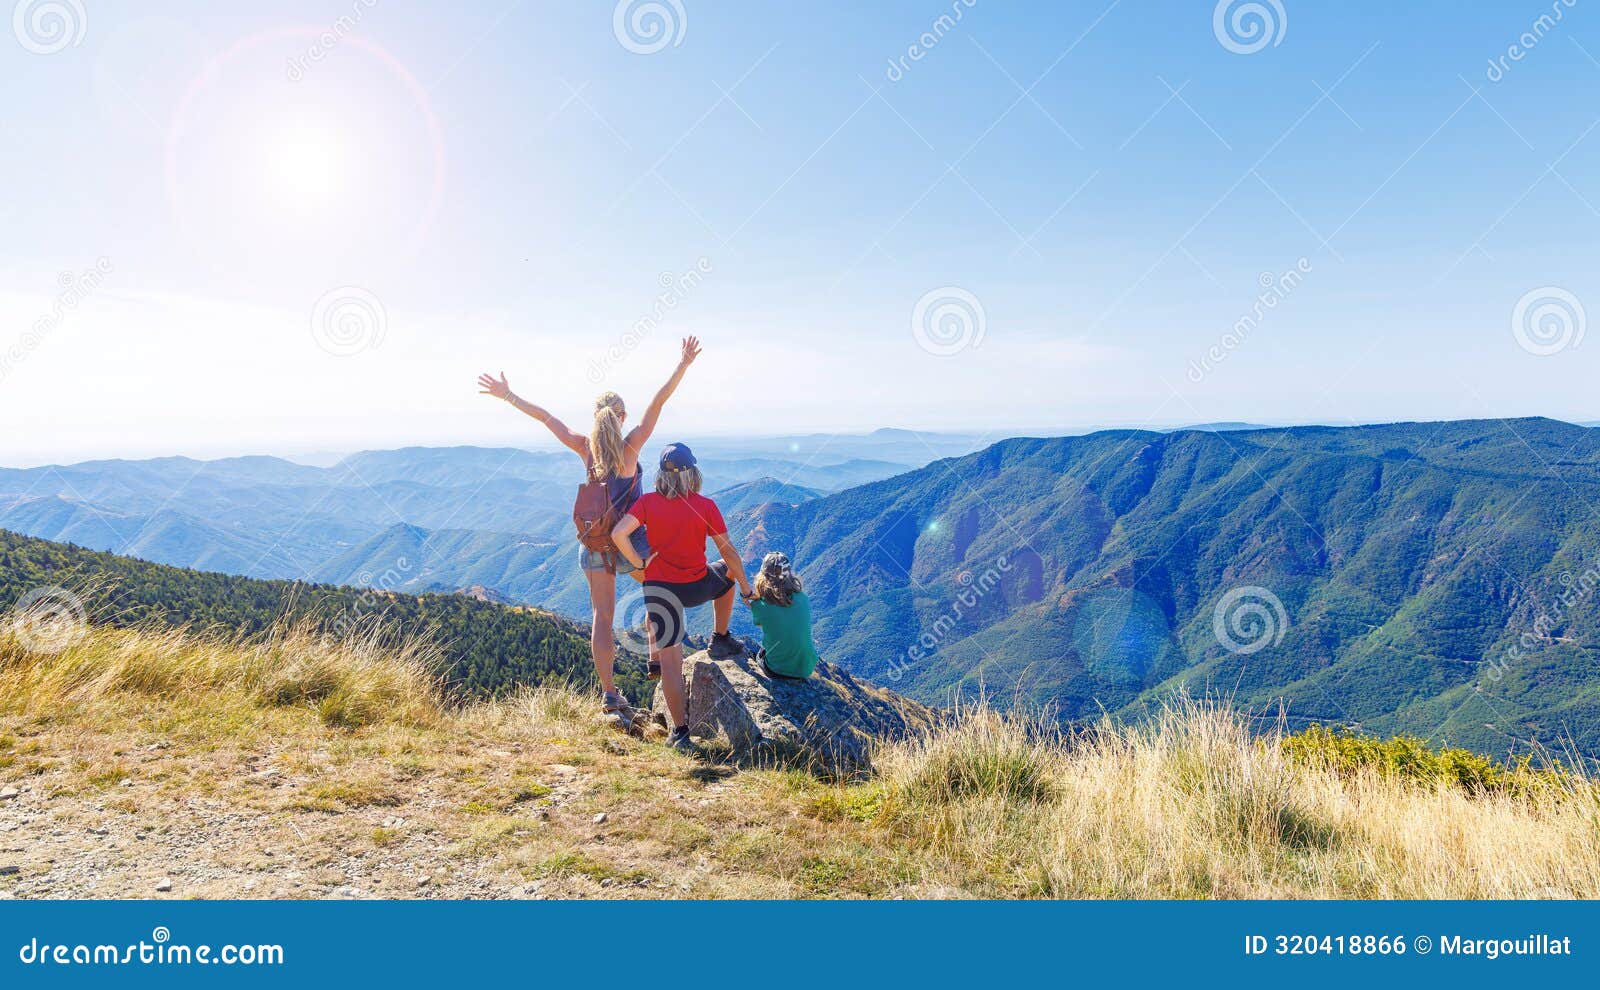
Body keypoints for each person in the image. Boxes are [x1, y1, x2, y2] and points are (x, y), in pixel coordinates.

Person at [476, 337, 701, 717]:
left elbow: (547, 418)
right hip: (631, 544)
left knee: (602, 616)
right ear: (622, 417)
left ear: (596, 417)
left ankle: (610, 695)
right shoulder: (631, 447)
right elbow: (658, 403)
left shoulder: (585, 448)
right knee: (659, 589)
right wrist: (682, 365)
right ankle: (655, 657)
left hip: (593, 545)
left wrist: (509, 396)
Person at [611, 442, 751, 751]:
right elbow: (729, 554)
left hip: (661, 589)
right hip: (697, 585)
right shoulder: (705, 506)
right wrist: (746, 588)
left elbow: (618, 534)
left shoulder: (647, 503)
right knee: (726, 573)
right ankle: (721, 636)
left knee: (672, 665)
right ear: (693, 474)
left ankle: (680, 732)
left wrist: (638, 562)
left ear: (662, 475)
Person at [747, 551, 820, 680]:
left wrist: (751, 603)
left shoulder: (760, 606)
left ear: (763, 576)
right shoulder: (803, 598)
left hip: (778, 669)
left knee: (760, 654)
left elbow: (760, 624)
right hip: (806, 668)